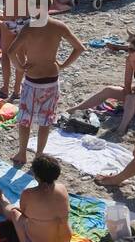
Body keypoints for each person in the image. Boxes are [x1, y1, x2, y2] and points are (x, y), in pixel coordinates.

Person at [6, 11, 84, 165]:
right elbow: (79, 48)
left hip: (33, 80)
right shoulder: (58, 26)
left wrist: (20, 68)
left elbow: (11, 52)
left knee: (25, 120)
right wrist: (62, 65)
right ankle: (39, 156)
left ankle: (22, 153)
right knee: (45, 121)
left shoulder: (29, 26)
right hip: (51, 79)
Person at [69, 36, 135, 134]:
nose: (128, 52)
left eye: (131, 50)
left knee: (131, 99)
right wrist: (127, 93)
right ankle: (75, 109)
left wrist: (132, 90)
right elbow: (127, 83)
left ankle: (121, 129)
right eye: (128, 49)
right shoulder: (130, 60)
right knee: (108, 90)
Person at [0, 153, 71, 242]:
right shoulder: (62, 188)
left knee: (15, 212)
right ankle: (2, 204)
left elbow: (23, 214)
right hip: (66, 241)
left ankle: (2, 202)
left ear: (36, 176)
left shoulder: (28, 194)